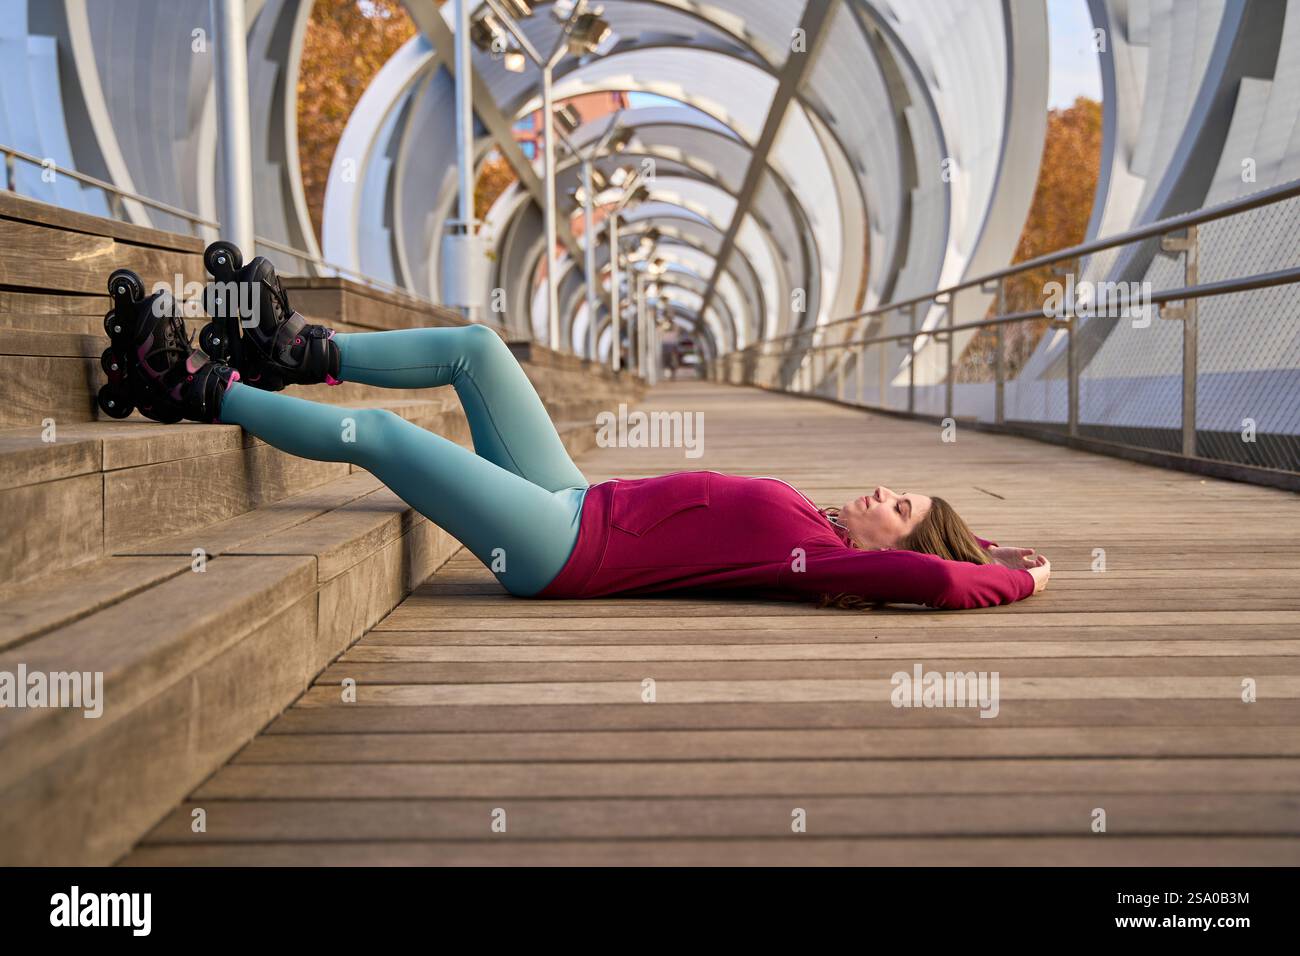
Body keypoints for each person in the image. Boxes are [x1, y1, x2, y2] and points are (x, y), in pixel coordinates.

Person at [99, 253, 1049, 611]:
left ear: (897, 545)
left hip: (557, 552)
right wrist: (997, 542)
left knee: (382, 442)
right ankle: (293, 351)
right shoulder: (811, 517)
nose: (885, 493)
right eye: (898, 489)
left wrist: (1017, 575)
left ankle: (188, 387)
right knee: (478, 348)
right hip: (576, 497)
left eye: (902, 507)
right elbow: (947, 557)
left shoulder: (828, 564)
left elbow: (938, 579)